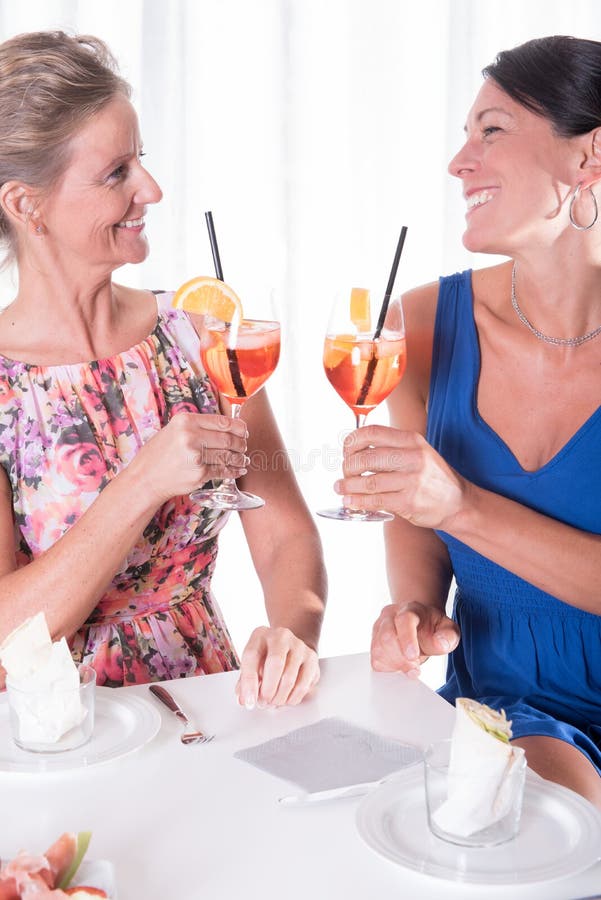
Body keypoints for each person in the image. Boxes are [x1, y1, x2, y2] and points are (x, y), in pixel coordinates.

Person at [0, 30, 326, 706]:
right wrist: (140, 483)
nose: (151, 188)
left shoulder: (199, 335)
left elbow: (285, 533)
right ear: (27, 206)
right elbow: (9, 634)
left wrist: (292, 633)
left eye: (140, 158)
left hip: (213, 699)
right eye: (116, 172)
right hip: (62, 732)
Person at [335, 35, 601, 808]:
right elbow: (415, 515)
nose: (459, 162)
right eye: (462, 136)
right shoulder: (421, 323)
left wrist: (464, 507)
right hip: (500, 714)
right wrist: (414, 606)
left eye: (490, 130)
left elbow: (447, 501)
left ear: (585, 158)